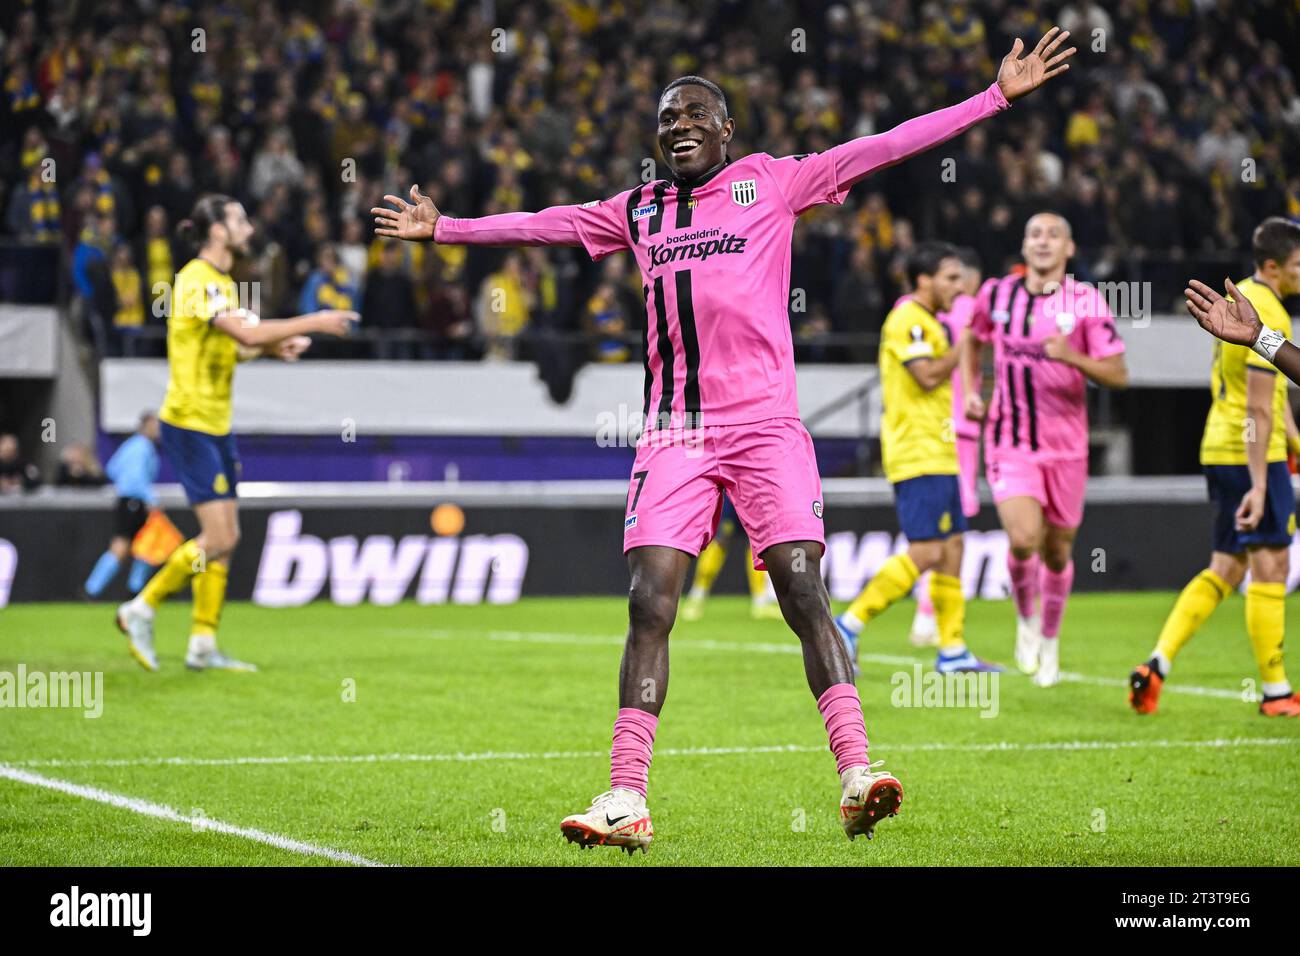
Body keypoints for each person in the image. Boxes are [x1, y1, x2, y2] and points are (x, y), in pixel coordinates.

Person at [374, 28, 1075, 852]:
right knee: (649, 602)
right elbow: (547, 224)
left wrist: (992, 98)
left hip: (766, 426)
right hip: (675, 432)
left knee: (802, 590)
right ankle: (624, 797)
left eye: (695, 115)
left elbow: (887, 145)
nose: (678, 127)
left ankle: (856, 773)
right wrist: (446, 230)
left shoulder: (773, 184)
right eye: (667, 117)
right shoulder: (638, 210)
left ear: (726, 131)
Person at [115, 194, 356, 673]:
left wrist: (275, 349)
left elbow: (241, 347)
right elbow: (245, 335)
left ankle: (203, 643)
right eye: (239, 218)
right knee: (220, 536)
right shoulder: (195, 280)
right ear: (219, 231)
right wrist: (316, 321)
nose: (248, 225)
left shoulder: (223, 284)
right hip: (188, 423)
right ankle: (140, 606)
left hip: (216, 426)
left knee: (225, 537)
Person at [1133, 217, 1300, 717]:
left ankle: (1157, 663)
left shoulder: (1248, 298)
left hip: (1220, 445)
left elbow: (1273, 401)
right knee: (1271, 564)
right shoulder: (1267, 309)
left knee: (1226, 567)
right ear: (1274, 265)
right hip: (1252, 454)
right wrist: (1258, 482)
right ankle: (1275, 692)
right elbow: (1259, 407)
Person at [961, 212, 1128, 687]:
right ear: (1024, 245)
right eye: (1035, 233)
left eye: (1054, 234)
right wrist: (974, 388)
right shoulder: (997, 294)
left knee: (1056, 554)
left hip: (1067, 449)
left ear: (1069, 250)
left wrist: (1073, 356)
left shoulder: (1087, 302)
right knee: (1022, 539)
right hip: (1010, 440)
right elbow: (972, 338)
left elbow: (1119, 375)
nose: (1043, 241)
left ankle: (1050, 639)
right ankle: (1025, 621)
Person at [835, 242, 1001, 674]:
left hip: (941, 452)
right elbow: (926, 376)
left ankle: (952, 649)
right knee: (927, 550)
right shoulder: (908, 319)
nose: (959, 285)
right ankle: (849, 623)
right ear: (924, 279)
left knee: (953, 549)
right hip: (916, 452)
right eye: (949, 277)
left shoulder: (930, 321)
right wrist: (962, 344)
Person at [907, 247, 987, 647]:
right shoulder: (964, 310)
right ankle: (928, 620)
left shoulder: (924, 314)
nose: (961, 288)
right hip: (955, 433)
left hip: (944, 429)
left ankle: (939, 628)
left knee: (947, 532)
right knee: (948, 533)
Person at [85, 412, 162, 598]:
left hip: (125, 500)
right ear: (144, 426)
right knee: (127, 546)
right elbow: (137, 478)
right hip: (135, 501)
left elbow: (112, 469)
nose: (158, 431)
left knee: (142, 545)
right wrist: (150, 500)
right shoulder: (143, 447)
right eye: (155, 426)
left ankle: (101, 589)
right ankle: (104, 589)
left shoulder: (129, 445)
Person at [679, 494, 781, 622]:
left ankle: (760, 601)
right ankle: (697, 596)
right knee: (721, 539)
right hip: (732, 492)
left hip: (754, 493)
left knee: (755, 542)